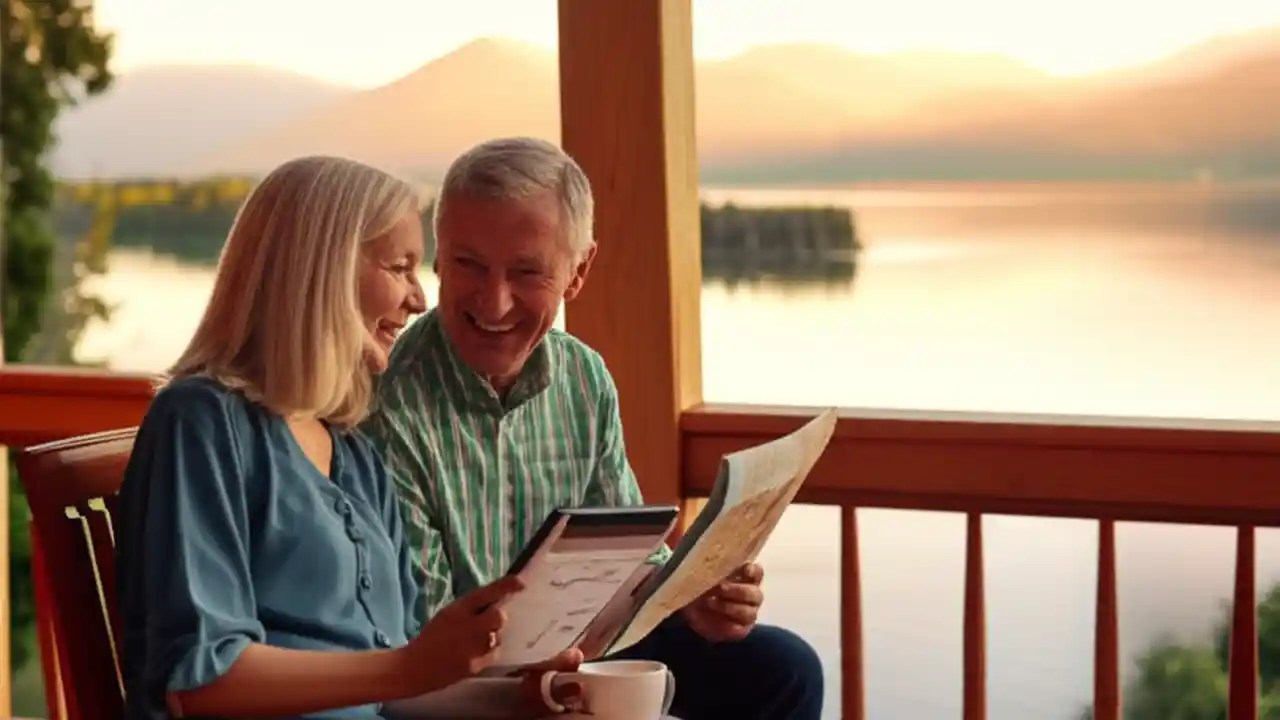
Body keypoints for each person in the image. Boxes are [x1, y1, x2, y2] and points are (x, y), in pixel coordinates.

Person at [360, 137, 825, 720]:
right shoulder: (386, 400)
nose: (494, 301)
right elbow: (419, 623)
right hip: (456, 679)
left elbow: (632, 555)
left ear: (579, 271)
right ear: (438, 258)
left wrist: (692, 600)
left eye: (527, 271)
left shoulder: (584, 376)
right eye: (468, 264)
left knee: (784, 670)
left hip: (590, 645)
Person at [115, 155, 578, 720]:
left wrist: (526, 700)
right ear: (323, 271)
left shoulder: (353, 449)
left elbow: (399, 687)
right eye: (400, 267)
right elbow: (199, 683)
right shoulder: (201, 423)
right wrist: (410, 667)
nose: (418, 298)